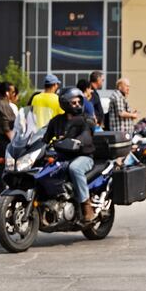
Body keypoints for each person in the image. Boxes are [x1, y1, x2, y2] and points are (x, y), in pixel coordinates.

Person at [44, 87, 96, 222]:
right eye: (74, 103)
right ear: (65, 104)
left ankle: (86, 205)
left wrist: (79, 141)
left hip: (83, 157)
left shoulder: (85, 119)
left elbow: (86, 134)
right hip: (62, 156)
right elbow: (44, 139)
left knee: (75, 168)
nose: (78, 105)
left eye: (79, 102)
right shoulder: (56, 121)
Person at [0, 82, 17, 196]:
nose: (13, 94)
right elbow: (6, 125)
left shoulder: (2, 104)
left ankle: (0, 186)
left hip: (3, 137)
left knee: (3, 163)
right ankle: (0, 187)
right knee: (2, 164)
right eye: (12, 92)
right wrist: (12, 139)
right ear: (7, 93)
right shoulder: (3, 105)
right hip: (3, 137)